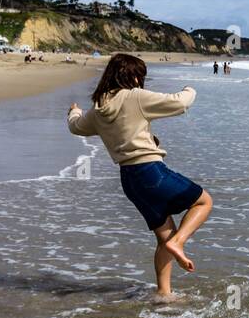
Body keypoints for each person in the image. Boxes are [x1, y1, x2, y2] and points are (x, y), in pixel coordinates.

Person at [67, 54, 213, 300]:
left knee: (163, 236)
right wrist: (190, 86)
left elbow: (76, 126)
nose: (140, 81)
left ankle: (164, 294)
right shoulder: (134, 96)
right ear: (132, 76)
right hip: (151, 171)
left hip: (129, 180)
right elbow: (180, 103)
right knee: (203, 201)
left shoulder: (99, 109)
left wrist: (74, 111)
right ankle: (179, 243)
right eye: (140, 76)